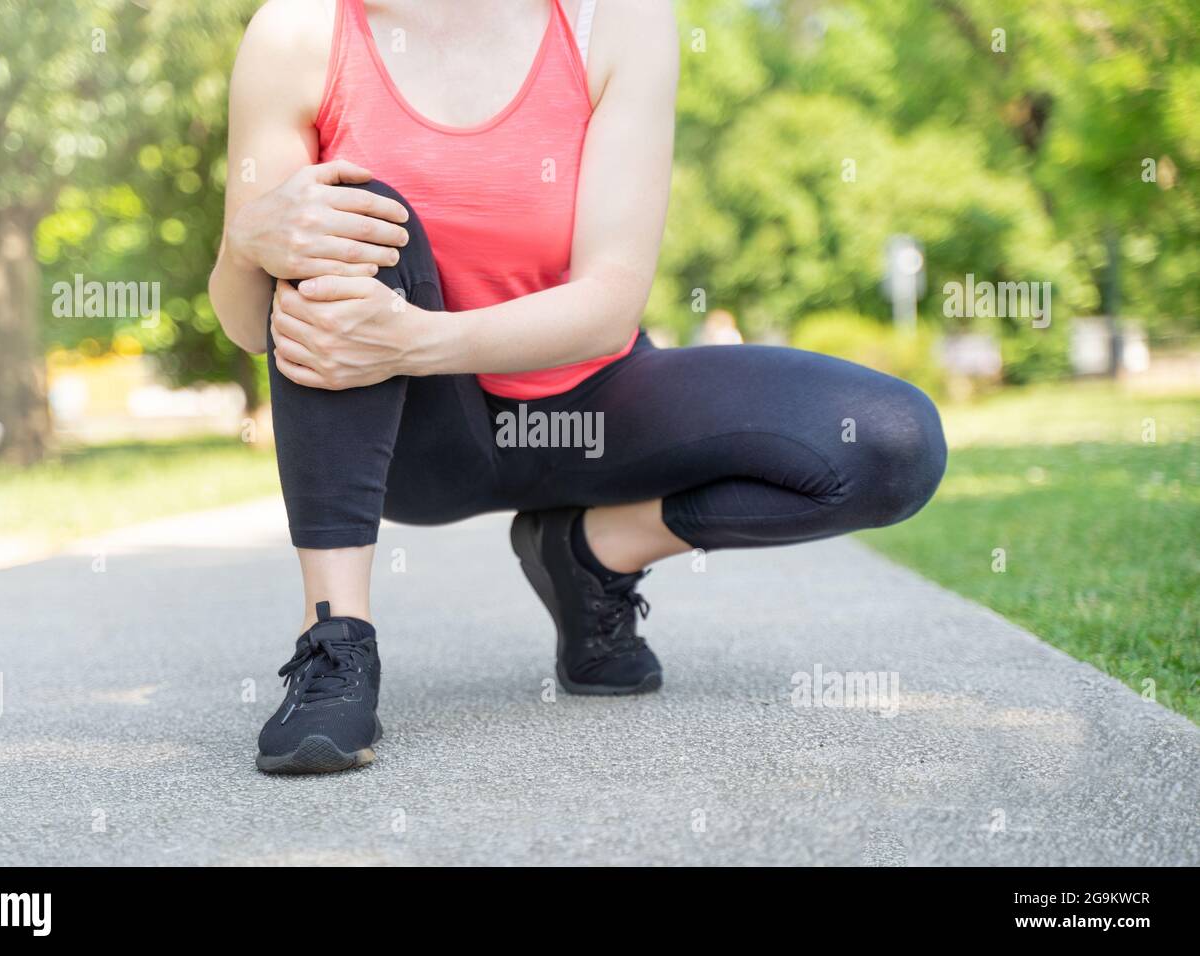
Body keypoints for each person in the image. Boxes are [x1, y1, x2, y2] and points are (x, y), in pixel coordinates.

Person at [209, 0, 947, 774]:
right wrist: (247, 241)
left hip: (594, 410)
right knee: (350, 217)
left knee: (892, 443)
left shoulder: (616, 17)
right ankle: (335, 643)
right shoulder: (298, 32)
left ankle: (591, 553)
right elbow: (245, 319)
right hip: (416, 440)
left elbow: (608, 305)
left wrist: (416, 342)